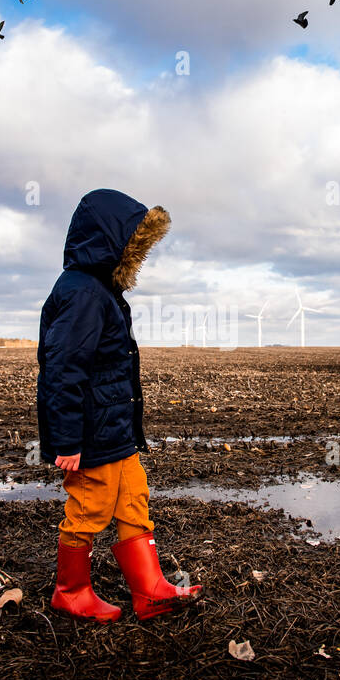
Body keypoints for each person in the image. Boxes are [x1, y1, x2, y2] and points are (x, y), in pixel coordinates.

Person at [36, 189, 202, 622]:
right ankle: (70, 591)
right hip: (91, 435)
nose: (140, 255)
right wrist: (69, 440)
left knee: (133, 501)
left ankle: (149, 589)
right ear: (111, 243)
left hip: (116, 433)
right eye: (135, 245)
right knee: (90, 508)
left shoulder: (101, 291)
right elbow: (63, 370)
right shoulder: (82, 293)